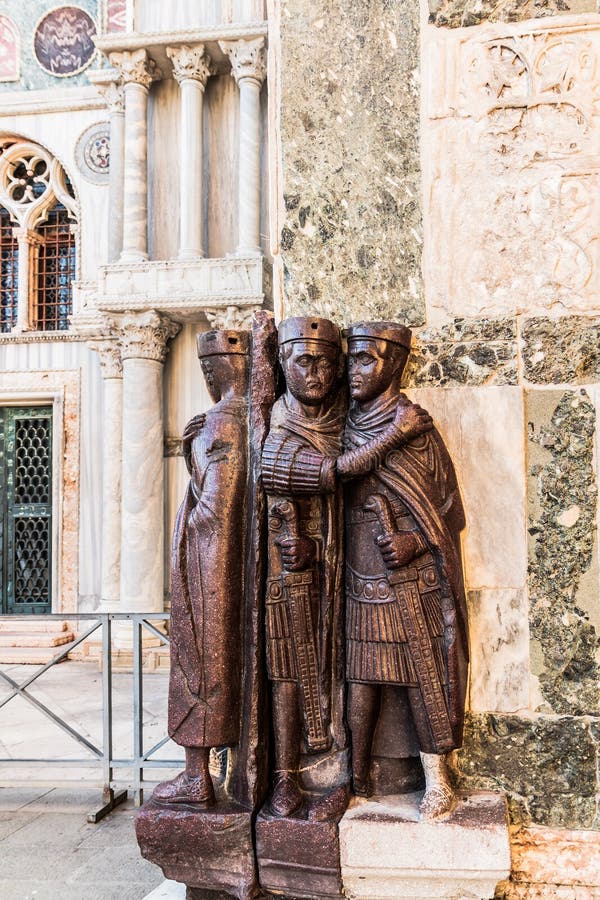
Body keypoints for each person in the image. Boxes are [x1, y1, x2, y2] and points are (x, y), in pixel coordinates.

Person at [261, 316, 433, 820]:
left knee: (343, 673)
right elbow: (317, 474)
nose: (318, 374)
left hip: (339, 571)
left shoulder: (344, 420)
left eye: (327, 364)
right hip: (289, 576)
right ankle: (286, 777)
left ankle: (348, 772)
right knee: (287, 674)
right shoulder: (279, 423)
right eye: (304, 362)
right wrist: (394, 436)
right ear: (283, 364)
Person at [342, 321, 469, 819]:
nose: (353, 370)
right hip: (357, 570)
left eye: (364, 359)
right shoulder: (346, 425)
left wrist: (416, 539)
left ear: (392, 363)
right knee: (360, 680)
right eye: (350, 358)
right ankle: (356, 776)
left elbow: (450, 506)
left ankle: (437, 778)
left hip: (410, 579)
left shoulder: (417, 429)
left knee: (424, 676)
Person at [154, 329, 249, 806]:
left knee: (200, 661)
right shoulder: (254, 419)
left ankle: (197, 777)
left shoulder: (219, 424)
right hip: (228, 567)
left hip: (209, 565)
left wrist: (194, 454)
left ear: (213, 373)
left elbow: (213, 508)